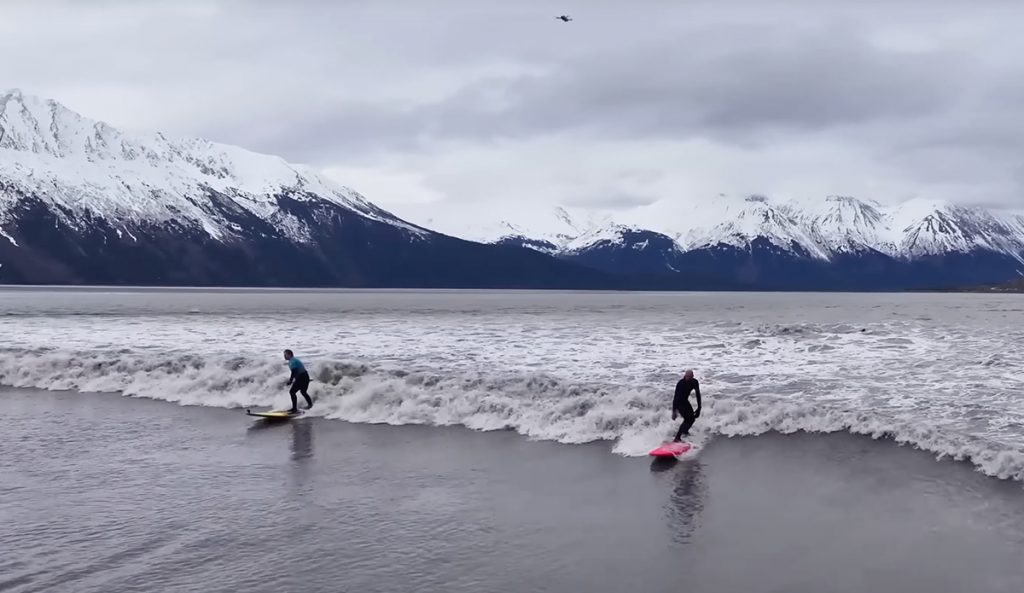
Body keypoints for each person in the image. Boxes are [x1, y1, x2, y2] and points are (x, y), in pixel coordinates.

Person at [672, 369, 701, 441]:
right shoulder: (680, 383)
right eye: (687, 376)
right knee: (687, 419)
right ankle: (677, 438)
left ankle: (684, 431)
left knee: (692, 419)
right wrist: (674, 411)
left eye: (690, 377)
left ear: (692, 376)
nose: (688, 378)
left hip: (685, 401)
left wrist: (699, 407)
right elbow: (675, 397)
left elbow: (698, 395)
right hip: (679, 402)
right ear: (685, 376)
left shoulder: (694, 382)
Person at [284, 349, 314, 413]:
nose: (284, 356)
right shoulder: (294, 360)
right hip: (305, 377)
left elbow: (294, 372)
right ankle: (310, 405)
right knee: (303, 392)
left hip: (302, 377)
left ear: (289, 354)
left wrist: (290, 380)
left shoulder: (292, 361)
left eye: (285, 354)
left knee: (292, 392)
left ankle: (294, 409)